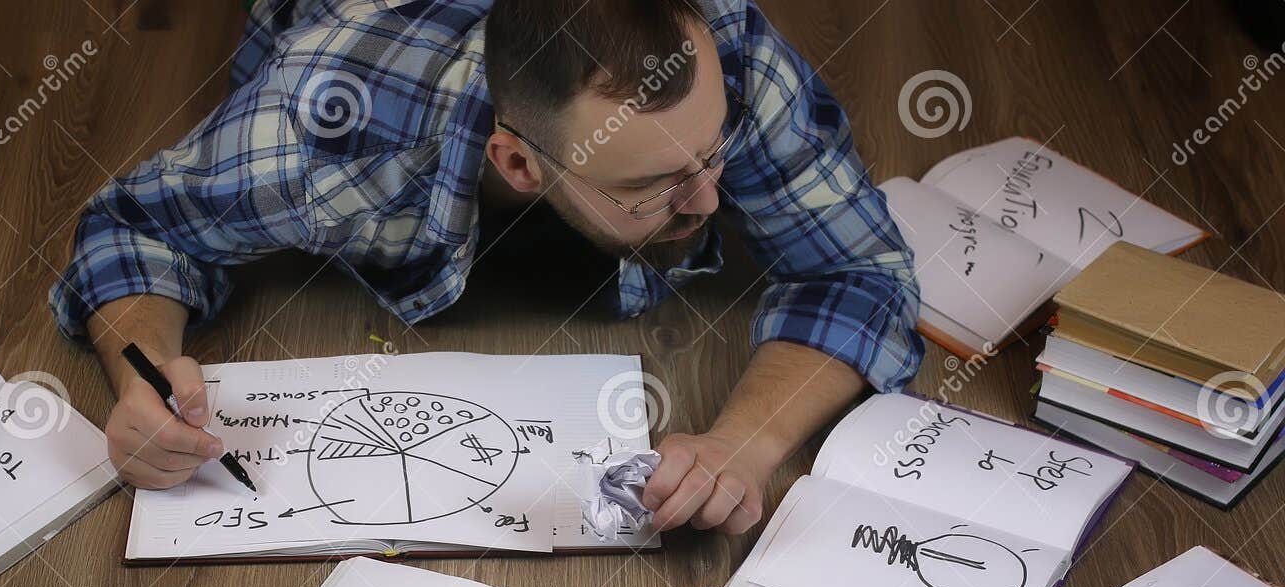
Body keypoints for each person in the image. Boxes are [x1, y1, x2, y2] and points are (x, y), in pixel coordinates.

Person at [51, 0, 923, 532]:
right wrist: (144, 374)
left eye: (717, 150)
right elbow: (135, 228)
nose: (706, 206)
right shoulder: (317, 127)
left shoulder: (716, 43)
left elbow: (862, 274)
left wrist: (743, 443)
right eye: (653, 187)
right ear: (517, 163)